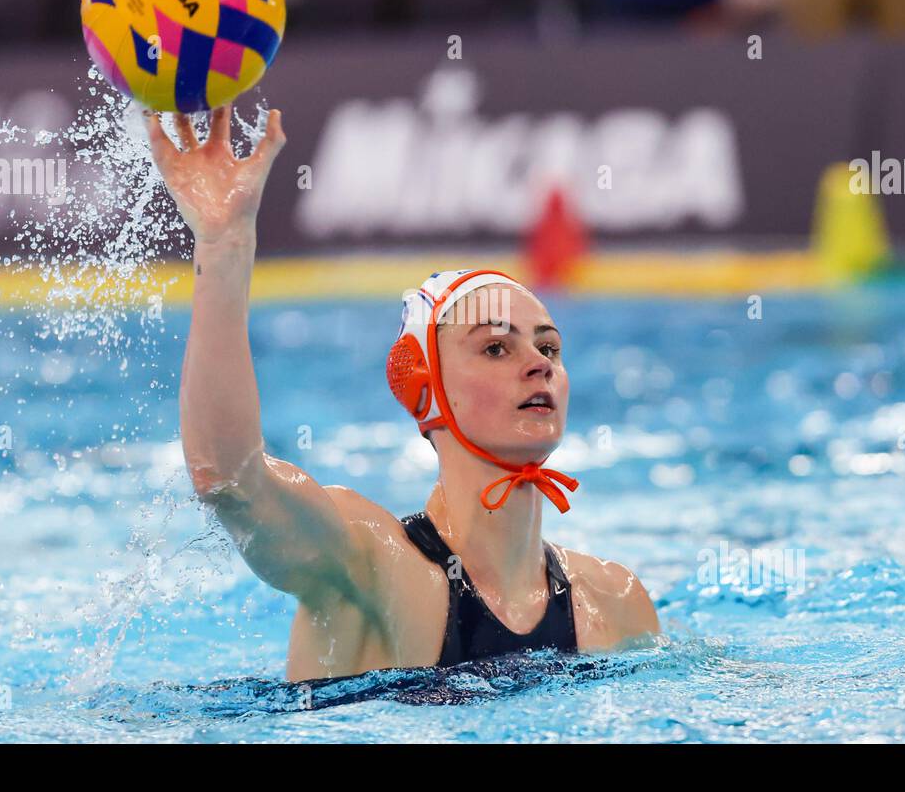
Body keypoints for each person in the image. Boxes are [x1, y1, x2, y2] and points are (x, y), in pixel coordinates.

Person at [145, 104, 662, 682]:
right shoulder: (368, 566)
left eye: (549, 348)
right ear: (425, 386)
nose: (538, 366)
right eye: (496, 347)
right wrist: (223, 244)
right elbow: (230, 480)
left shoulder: (614, 602)